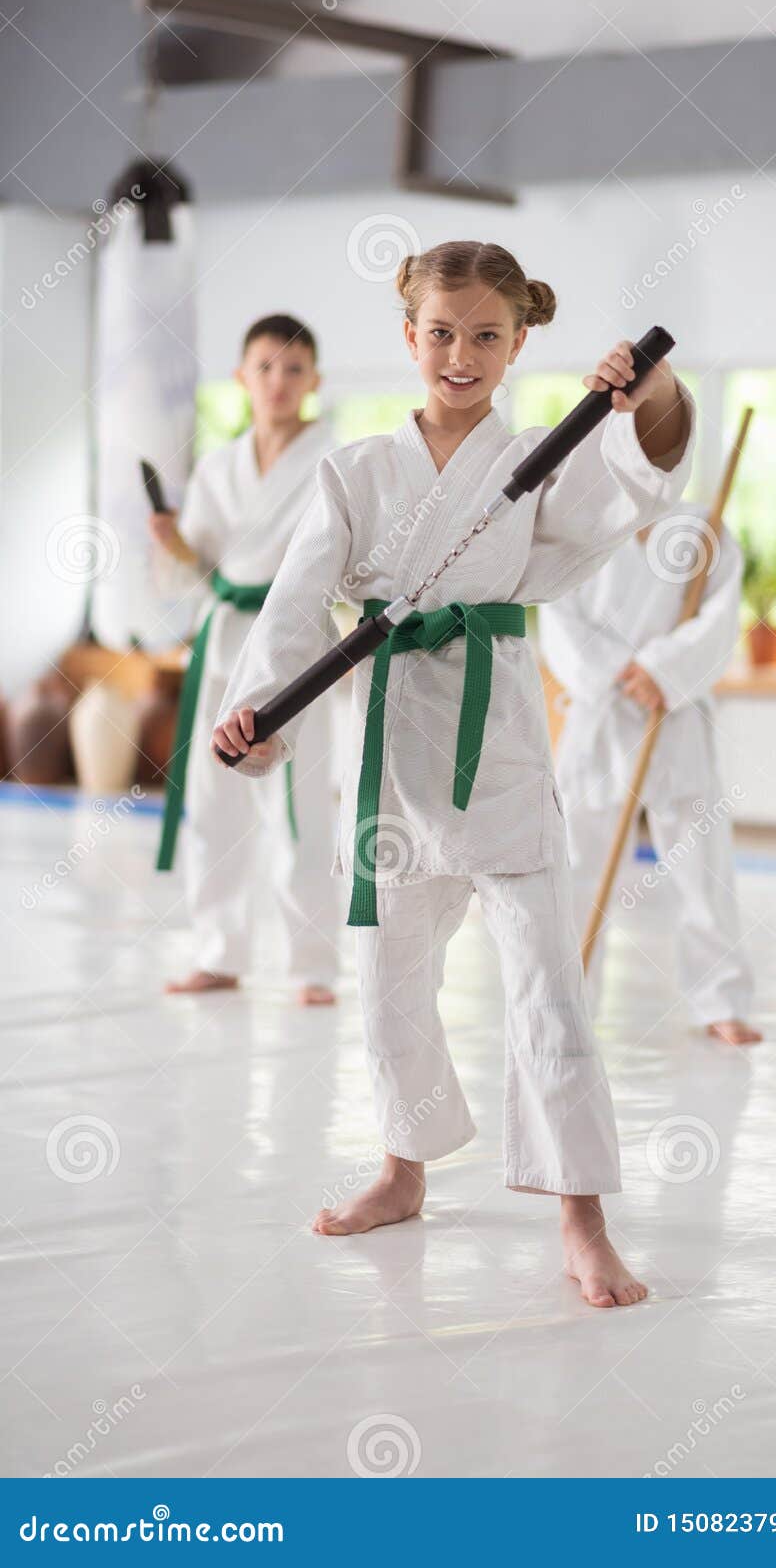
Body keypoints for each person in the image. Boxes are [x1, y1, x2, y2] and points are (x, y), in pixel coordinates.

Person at [212, 241, 693, 1307]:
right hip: (389, 751)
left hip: (501, 745)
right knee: (389, 984)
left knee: (548, 988)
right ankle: (403, 1166)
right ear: (408, 337)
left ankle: (579, 1214)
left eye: (485, 336)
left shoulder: (540, 459)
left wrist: (649, 394)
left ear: (518, 344)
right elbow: (295, 604)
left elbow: (637, 480)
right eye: (440, 333)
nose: (460, 355)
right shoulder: (355, 472)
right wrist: (260, 717)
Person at [150, 314, 339, 1006]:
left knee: (300, 806)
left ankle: (312, 965)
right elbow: (196, 571)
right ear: (241, 376)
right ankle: (218, 953)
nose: (278, 382)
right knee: (213, 799)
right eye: (264, 367)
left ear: (314, 380)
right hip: (225, 635)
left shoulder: (334, 461)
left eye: (293, 369)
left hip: (296, 644)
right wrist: (172, 545)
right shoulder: (218, 467)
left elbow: (349, 561)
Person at [539, 509, 760, 1044]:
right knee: (577, 864)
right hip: (602, 711)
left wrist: (664, 670)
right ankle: (568, 997)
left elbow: (720, 620)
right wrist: (620, 671)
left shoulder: (702, 530)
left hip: (674, 712)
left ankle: (720, 999)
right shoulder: (580, 520)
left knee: (702, 865)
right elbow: (556, 612)